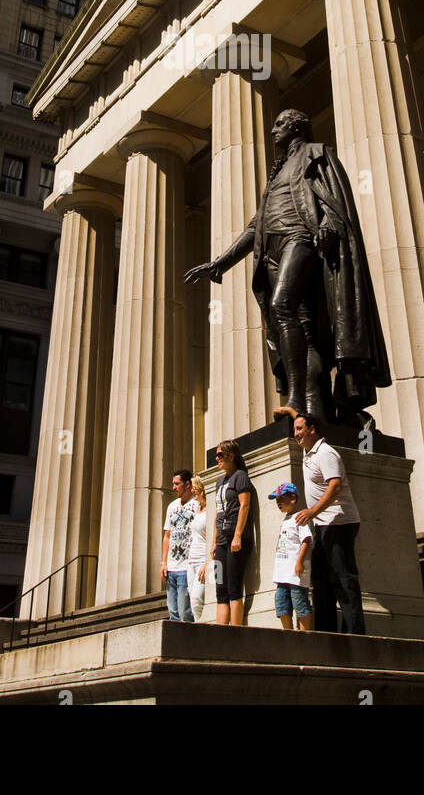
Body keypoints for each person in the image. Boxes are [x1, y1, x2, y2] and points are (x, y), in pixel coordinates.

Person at [185, 109, 390, 430]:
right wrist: (220, 262)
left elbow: (336, 200)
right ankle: (314, 408)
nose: (272, 130)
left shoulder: (316, 153)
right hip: (272, 251)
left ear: (296, 126)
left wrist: (329, 224)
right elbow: (256, 226)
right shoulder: (276, 174)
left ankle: (295, 397)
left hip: (300, 238)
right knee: (302, 332)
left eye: (279, 124)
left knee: (283, 305)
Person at [293, 413, 365, 634]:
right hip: (323, 525)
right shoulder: (308, 454)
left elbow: (335, 486)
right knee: (321, 581)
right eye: (294, 429)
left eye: (299, 429)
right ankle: (326, 634)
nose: (295, 433)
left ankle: (355, 634)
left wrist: (312, 511)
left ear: (312, 429)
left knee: (343, 578)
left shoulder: (326, 453)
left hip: (339, 521)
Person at [212, 440, 252, 626]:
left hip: (235, 538)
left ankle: (236, 632)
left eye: (220, 455)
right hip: (220, 541)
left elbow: (244, 505)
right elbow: (217, 512)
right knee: (220, 588)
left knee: (234, 587)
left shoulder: (240, 476)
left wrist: (238, 535)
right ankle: (220, 632)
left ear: (231, 456)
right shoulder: (219, 482)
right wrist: (213, 542)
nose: (217, 458)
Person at [269, 482, 313, 632]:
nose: (278, 503)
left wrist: (300, 561)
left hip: (295, 574)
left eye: (281, 499)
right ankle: (288, 632)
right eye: (277, 501)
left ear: (292, 498)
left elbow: (306, 540)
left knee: (299, 602)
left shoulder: (299, 518)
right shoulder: (286, 519)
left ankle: (304, 633)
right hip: (282, 574)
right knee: (281, 603)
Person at [161, 468, 196, 622]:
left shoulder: (197, 504)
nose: (173, 487)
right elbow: (167, 536)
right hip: (171, 567)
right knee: (173, 613)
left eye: (177, 484)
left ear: (187, 484)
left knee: (185, 612)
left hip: (186, 567)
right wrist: (163, 563)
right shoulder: (172, 506)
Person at [187, 475, 208, 622]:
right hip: (191, 561)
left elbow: (214, 537)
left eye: (195, 488)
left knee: (196, 601)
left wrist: (208, 563)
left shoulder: (210, 510)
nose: (193, 491)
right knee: (192, 603)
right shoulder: (196, 509)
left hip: (204, 561)